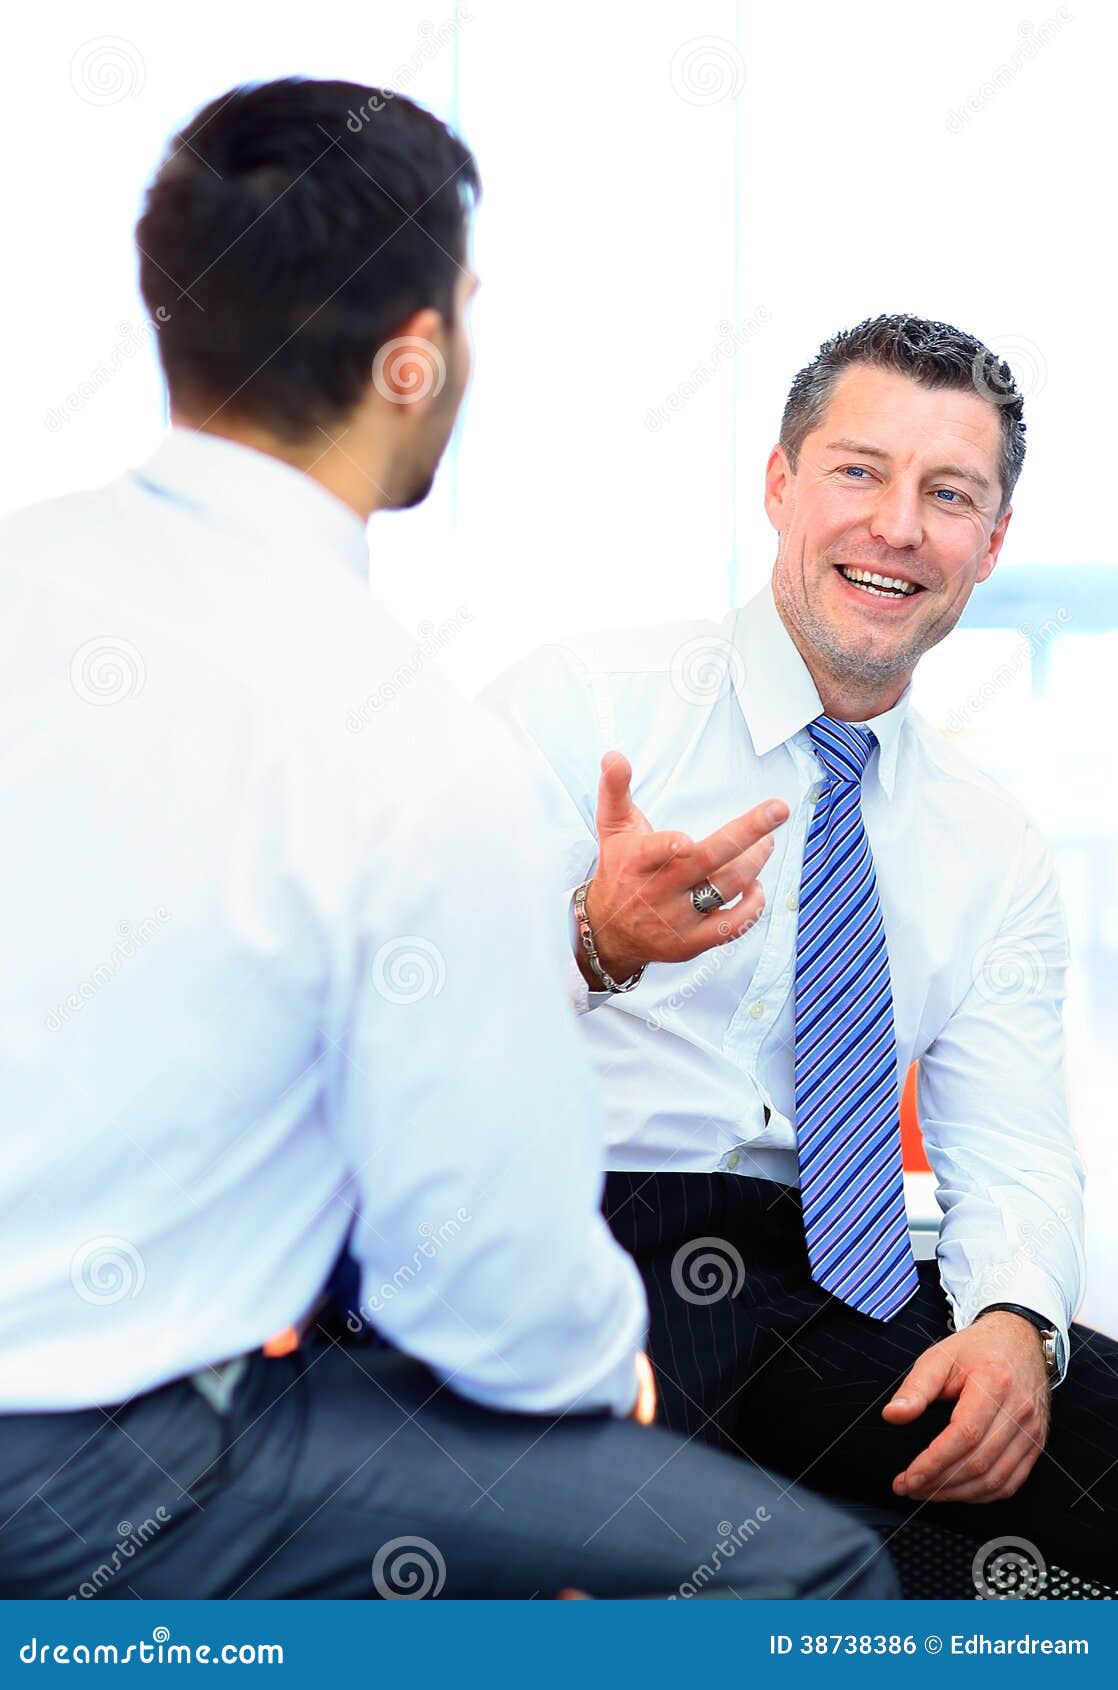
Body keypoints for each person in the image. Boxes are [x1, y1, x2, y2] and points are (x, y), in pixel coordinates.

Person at [0, 80, 896, 1602]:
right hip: (111, 1470)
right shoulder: (405, 742)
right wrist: (602, 1378)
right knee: (802, 1578)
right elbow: (484, 1281)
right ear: (412, 359)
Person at [483, 314, 1118, 1589]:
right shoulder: (585, 704)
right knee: (769, 1569)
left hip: (835, 1278)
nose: (896, 526)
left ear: (988, 547)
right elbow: (393, 1010)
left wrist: (1009, 1323)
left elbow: (1010, 1145)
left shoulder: (986, 840)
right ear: (779, 485)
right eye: (857, 471)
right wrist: (592, 943)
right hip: (583, 1231)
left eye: (948, 495)